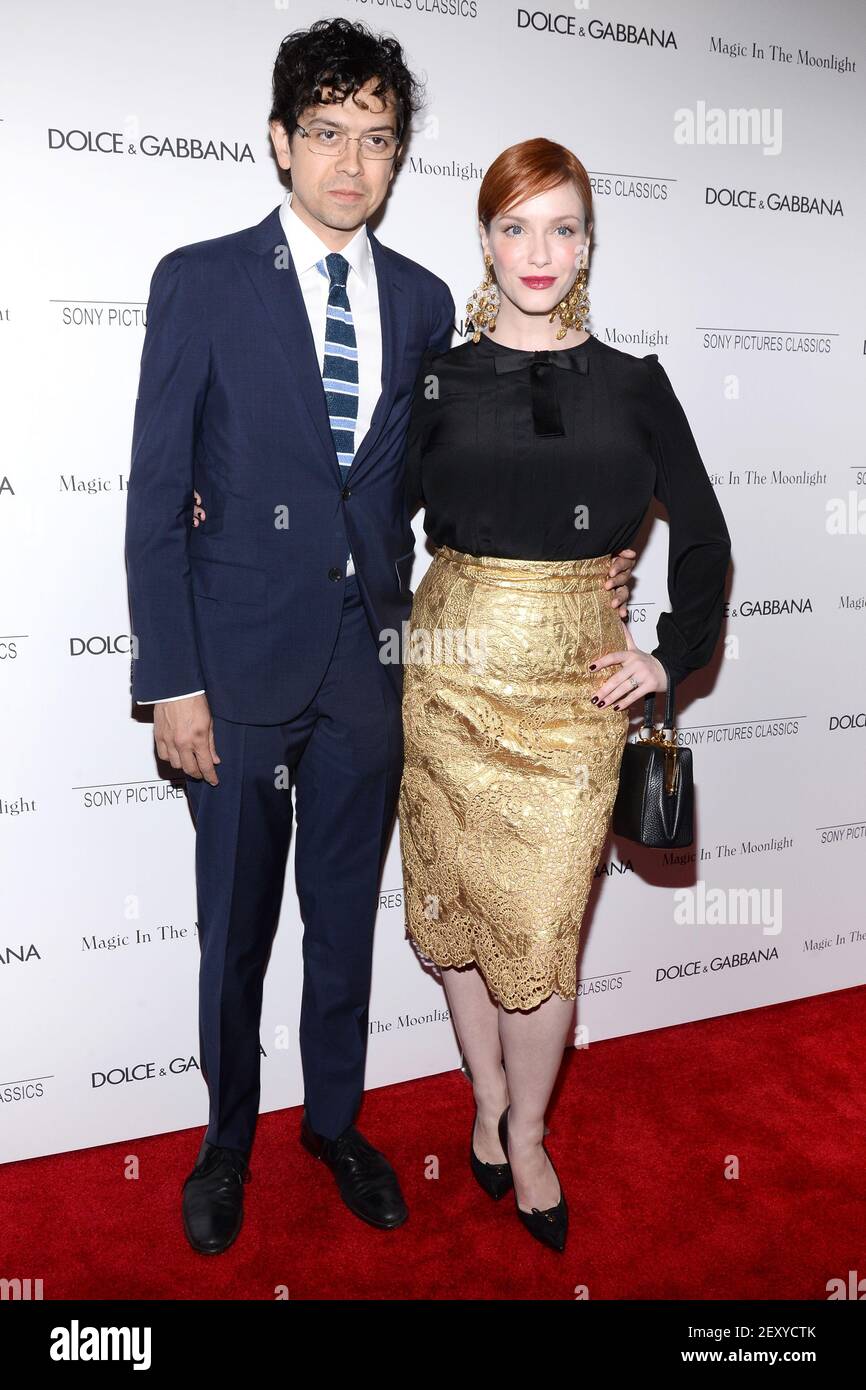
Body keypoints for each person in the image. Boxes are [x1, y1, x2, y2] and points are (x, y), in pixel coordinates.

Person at [125, 17, 640, 1255]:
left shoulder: (417, 303)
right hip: (235, 669)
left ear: (397, 155)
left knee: (344, 915)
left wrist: (587, 557)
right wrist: (172, 680)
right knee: (233, 927)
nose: (351, 162)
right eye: (326, 134)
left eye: (376, 138)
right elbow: (153, 494)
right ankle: (226, 1142)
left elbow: (451, 469)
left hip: (375, 665)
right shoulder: (198, 279)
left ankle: (336, 1125)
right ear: (278, 142)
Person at [397, 137, 732, 1251]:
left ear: (588, 240)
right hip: (445, 683)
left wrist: (666, 659)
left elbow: (705, 537)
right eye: (513, 225)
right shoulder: (436, 375)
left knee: (539, 937)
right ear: (484, 240)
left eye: (562, 226)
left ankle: (529, 1129)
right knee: (456, 919)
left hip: (574, 699)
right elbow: (360, 509)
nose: (537, 251)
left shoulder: (633, 384)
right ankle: (487, 1104)